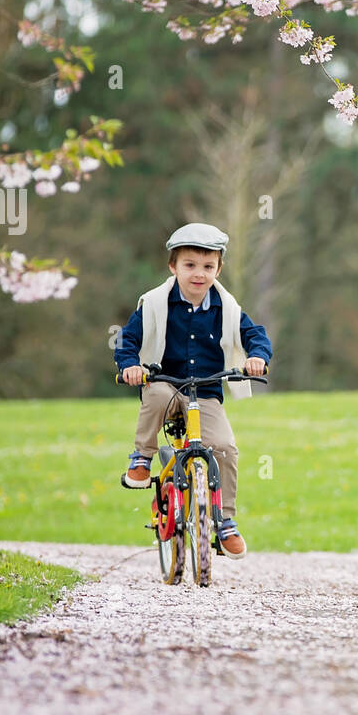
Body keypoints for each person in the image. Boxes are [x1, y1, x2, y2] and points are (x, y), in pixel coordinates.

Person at [114, 222, 272, 558]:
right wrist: (130, 365)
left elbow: (255, 334)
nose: (198, 274)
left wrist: (257, 356)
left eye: (208, 266)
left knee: (225, 447)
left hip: (206, 391)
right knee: (154, 394)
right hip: (166, 384)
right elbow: (127, 339)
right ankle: (142, 456)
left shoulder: (226, 308)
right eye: (189, 265)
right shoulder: (157, 303)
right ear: (173, 267)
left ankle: (225, 520)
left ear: (218, 268)